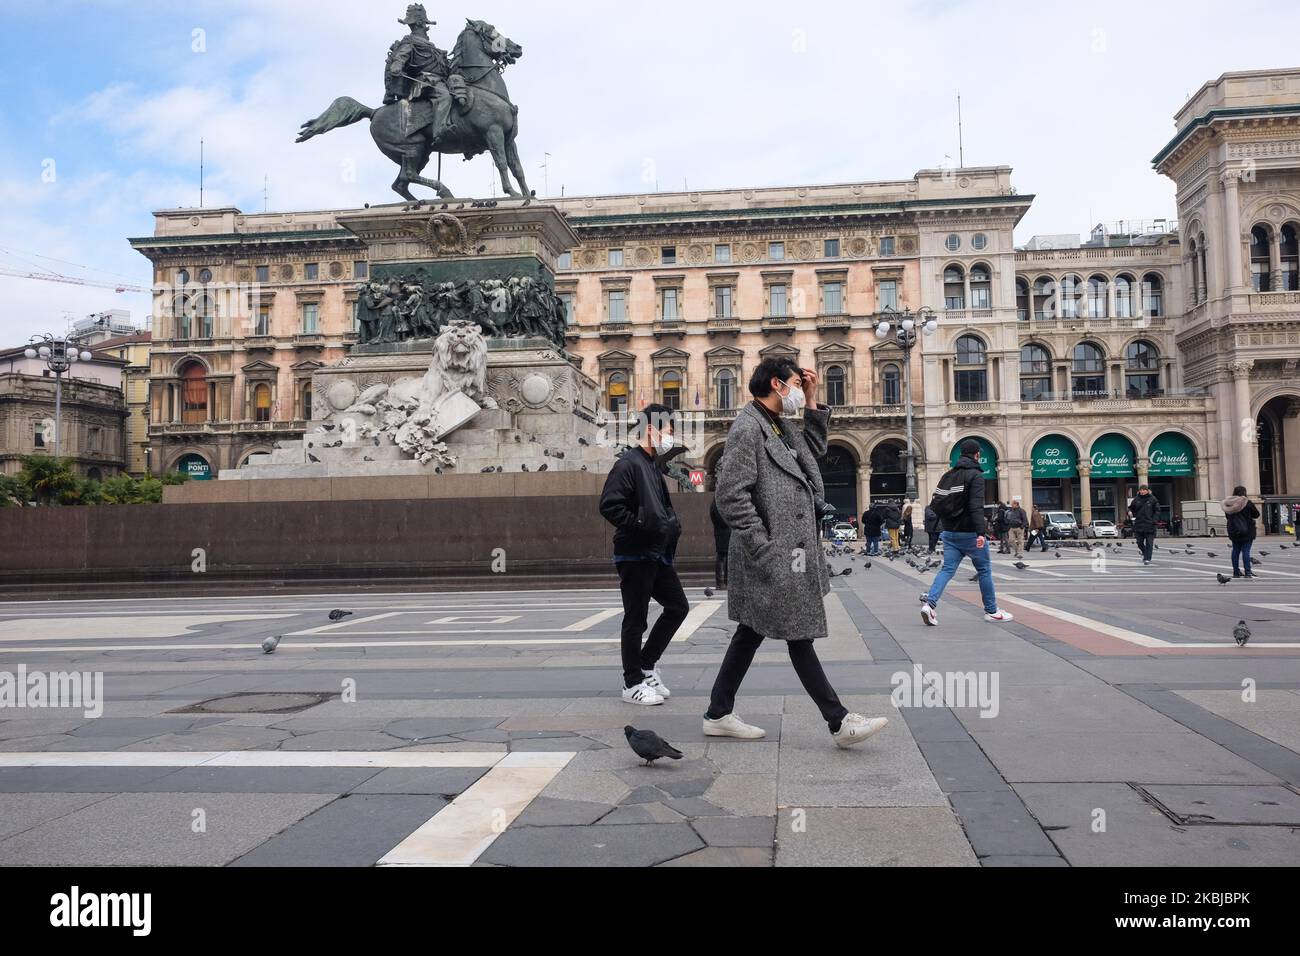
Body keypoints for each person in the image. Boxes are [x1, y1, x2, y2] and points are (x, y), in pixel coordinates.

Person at [707, 357, 888, 748]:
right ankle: (838, 721)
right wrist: (764, 547)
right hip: (774, 553)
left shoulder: (779, 424)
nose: (795, 388)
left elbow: (815, 451)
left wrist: (810, 398)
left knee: (752, 632)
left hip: (790, 550)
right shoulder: (747, 428)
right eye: (792, 382)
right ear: (776, 384)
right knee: (798, 634)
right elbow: (730, 496)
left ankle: (718, 712)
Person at [598, 404, 687, 705]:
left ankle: (646, 664)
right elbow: (610, 505)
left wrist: (670, 526)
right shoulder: (628, 464)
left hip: (657, 552)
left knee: (677, 607)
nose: (670, 438)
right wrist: (640, 524)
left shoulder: (651, 465)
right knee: (636, 618)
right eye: (668, 431)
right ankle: (631, 683)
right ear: (651, 428)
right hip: (635, 553)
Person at [920, 439, 1015, 626]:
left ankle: (929, 605)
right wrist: (981, 532)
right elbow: (976, 507)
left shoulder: (948, 475)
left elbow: (936, 504)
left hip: (949, 532)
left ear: (961, 454)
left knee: (947, 570)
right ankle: (992, 611)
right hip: (970, 533)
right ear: (977, 454)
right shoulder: (976, 475)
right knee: (984, 570)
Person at [1223, 486, 1260, 579]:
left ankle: (1236, 572)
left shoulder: (1228, 503)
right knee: (1246, 551)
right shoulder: (1247, 502)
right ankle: (1248, 572)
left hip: (1233, 531)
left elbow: (1227, 516)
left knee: (1235, 551)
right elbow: (1256, 514)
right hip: (1247, 530)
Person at [1128, 485, 1160, 565]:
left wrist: (1154, 520)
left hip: (1150, 525)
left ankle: (1147, 558)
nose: (1142, 491)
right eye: (1140, 490)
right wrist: (1129, 512)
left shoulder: (1153, 499)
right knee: (1139, 542)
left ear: (1147, 490)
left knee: (1149, 543)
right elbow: (1131, 508)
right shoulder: (1136, 499)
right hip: (1139, 524)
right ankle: (1145, 553)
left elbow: (1157, 511)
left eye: (1143, 490)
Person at [710, 494, 730, 590]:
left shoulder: (717, 501)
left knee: (726, 557)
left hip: (724, 532)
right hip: (722, 533)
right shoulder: (717, 502)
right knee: (721, 557)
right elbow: (719, 517)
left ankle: (726, 581)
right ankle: (720, 582)